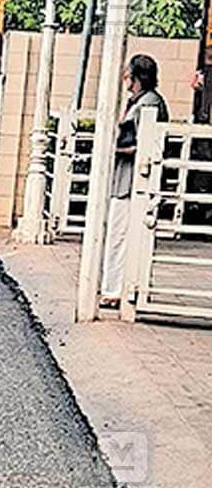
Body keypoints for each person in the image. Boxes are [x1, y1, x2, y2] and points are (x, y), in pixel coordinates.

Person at [101, 54, 169, 307]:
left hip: (133, 179)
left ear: (137, 76)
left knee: (121, 235)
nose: (124, 78)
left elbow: (142, 143)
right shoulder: (137, 101)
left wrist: (113, 147)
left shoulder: (149, 103)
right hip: (124, 178)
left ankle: (116, 289)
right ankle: (115, 286)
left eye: (128, 73)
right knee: (118, 233)